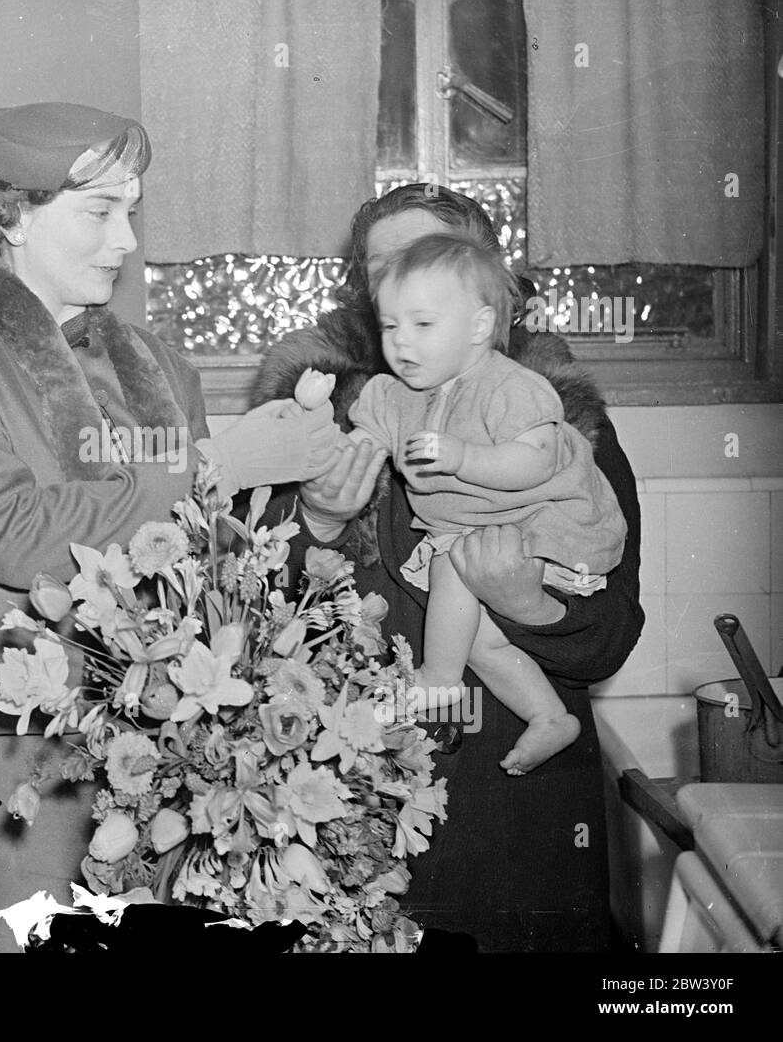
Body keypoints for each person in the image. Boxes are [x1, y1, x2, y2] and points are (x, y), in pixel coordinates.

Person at [0, 102, 339, 952]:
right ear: (10, 212)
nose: (126, 242)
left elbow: (215, 568)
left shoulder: (157, 361)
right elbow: (6, 532)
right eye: (98, 212)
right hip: (14, 750)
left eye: (132, 211)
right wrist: (215, 464)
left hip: (176, 750)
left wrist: (317, 506)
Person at [250, 183, 645, 952]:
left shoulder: (552, 413)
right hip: (356, 802)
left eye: (428, 256)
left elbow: (615, 631)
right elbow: (257, 610)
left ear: (487, 291)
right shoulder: (324, 414)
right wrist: (319, 519)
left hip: (517, 813)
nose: (404, 278)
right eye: (382, 267)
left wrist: (530, 604)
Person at [346, 227, 628, 775]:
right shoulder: (397, 393)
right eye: (390, 325)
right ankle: (549, 716)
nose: (402, 341)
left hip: (547, 525)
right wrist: (339, 455)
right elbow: (365, 438)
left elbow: (535, 461)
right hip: (479, 535)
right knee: (473, 636)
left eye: (423, 324)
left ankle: (437, 680)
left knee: (455, 570)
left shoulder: (511, 387)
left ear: (479, 326)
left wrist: (461, 457)